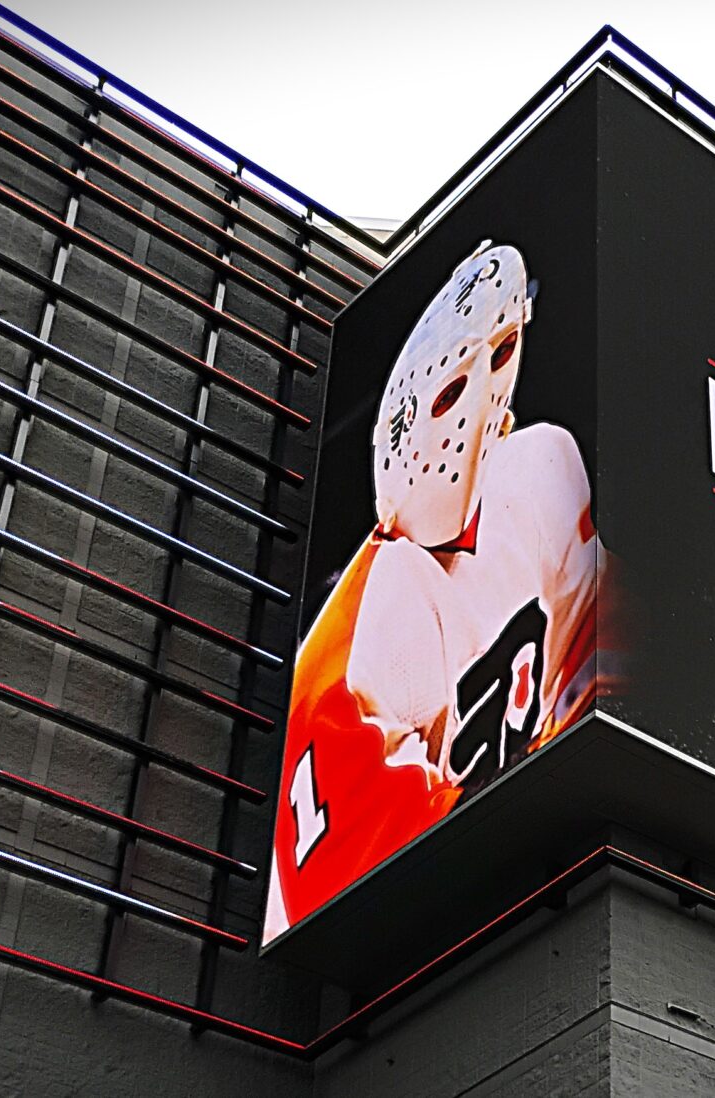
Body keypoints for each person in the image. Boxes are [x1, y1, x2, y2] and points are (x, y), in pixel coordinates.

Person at [266, 241, 604, 940]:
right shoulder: (375, 628)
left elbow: (602, 661)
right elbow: (352, 879)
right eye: (448, 393)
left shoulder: (541, 468)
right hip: (354, 913)